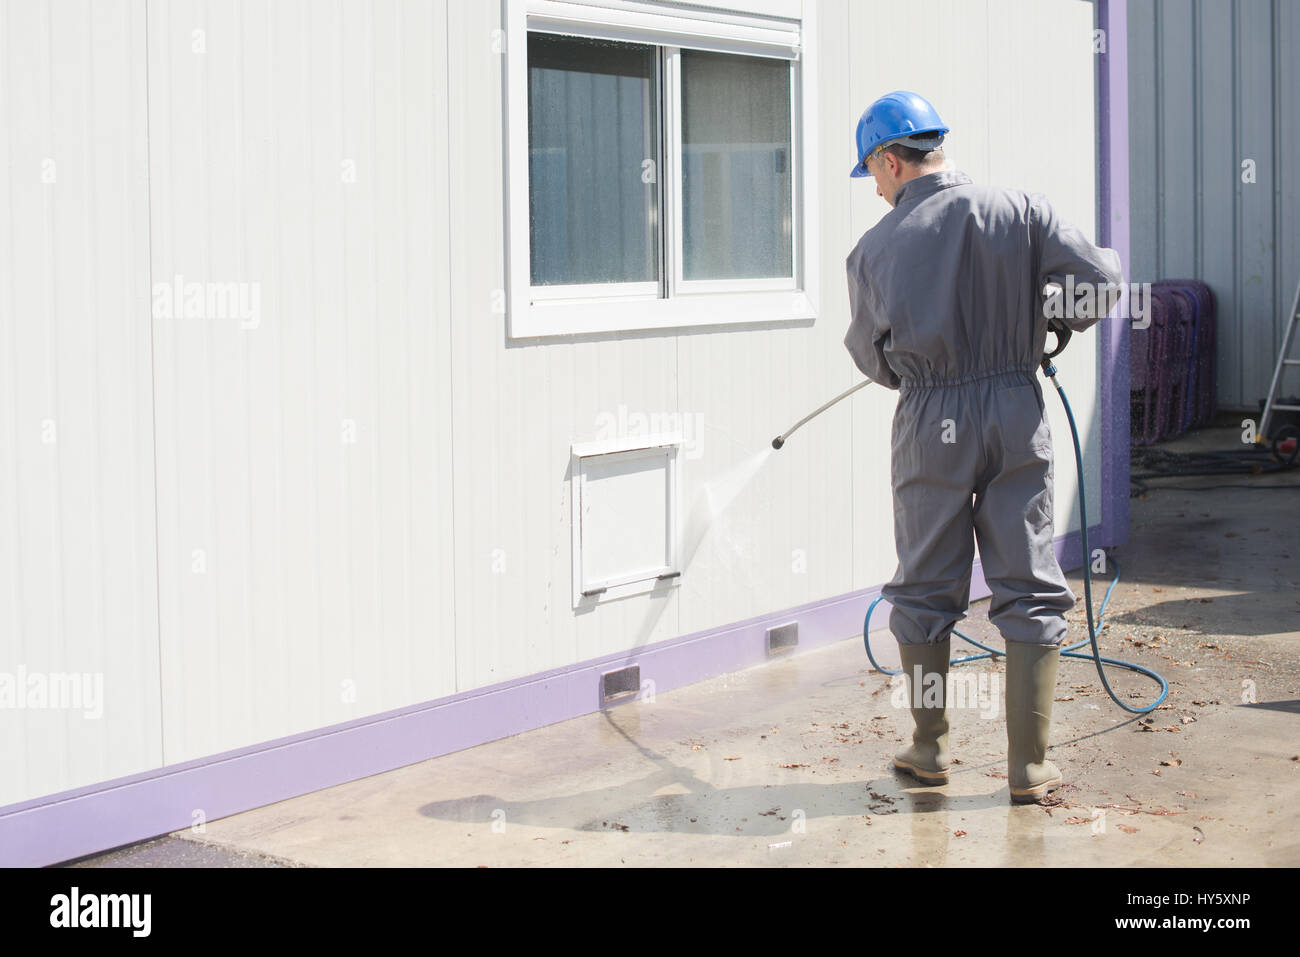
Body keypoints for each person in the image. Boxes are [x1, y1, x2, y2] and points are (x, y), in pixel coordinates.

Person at [843, 90, 1123, 803]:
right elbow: (1101, 282)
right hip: (1012, 406)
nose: (876, 190)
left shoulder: (874, 249)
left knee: (927, 583)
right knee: (1027, 579)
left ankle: (930, 746)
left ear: (889, 159)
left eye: (872, 175)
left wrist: (926, 369)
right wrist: (1044, 321)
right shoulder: (1022, 211)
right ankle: (1029, 767)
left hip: (930, 418)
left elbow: (873, 360)